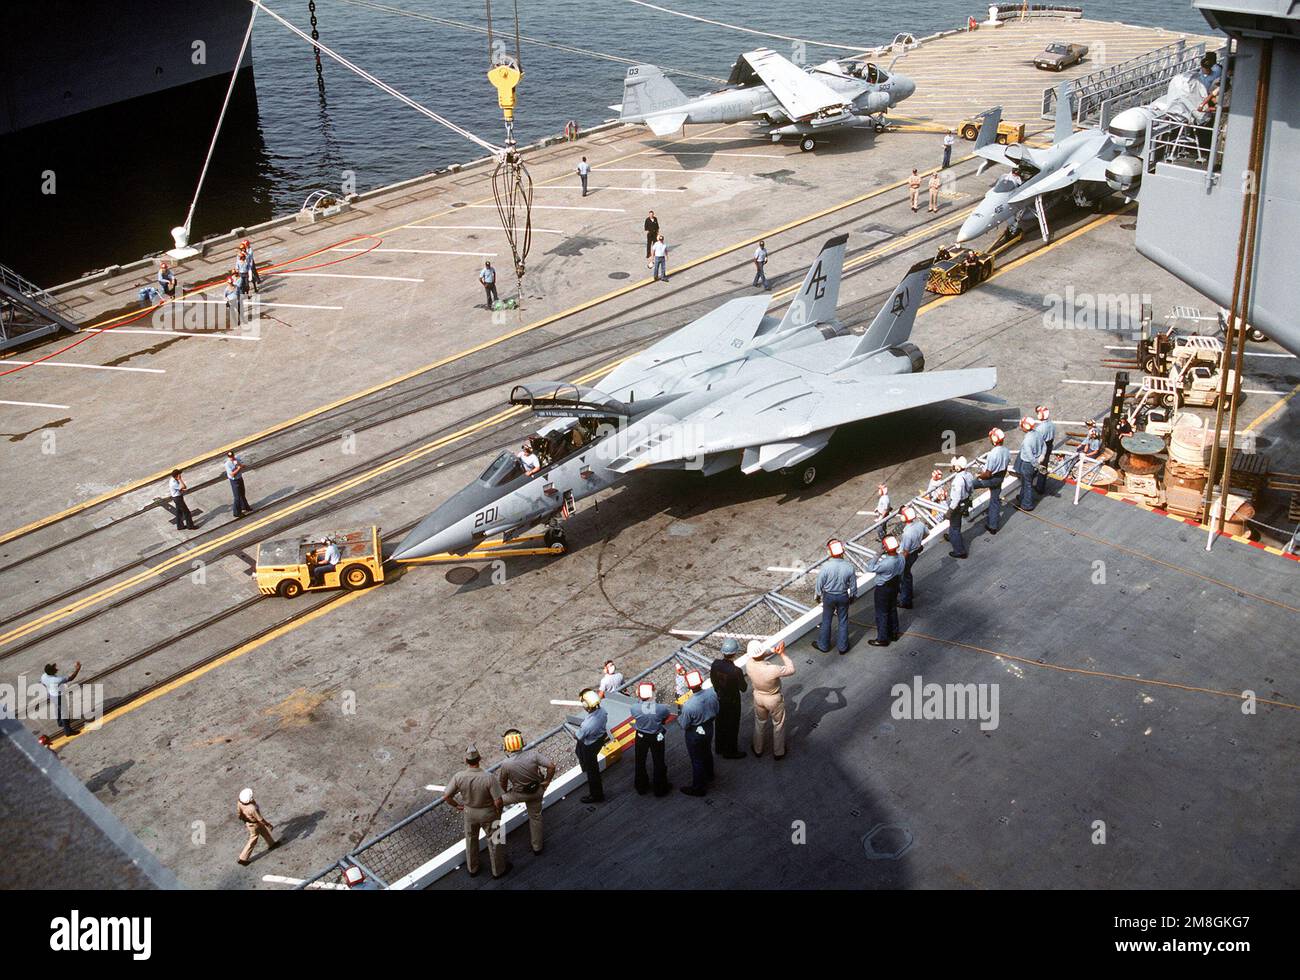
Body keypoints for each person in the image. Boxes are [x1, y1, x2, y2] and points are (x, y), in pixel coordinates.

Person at [441, 745, 510, 878]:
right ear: (480, 759)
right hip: (489, 813)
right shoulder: (488, 777)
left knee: (471, 839)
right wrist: (498, 813)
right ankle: (498, 870)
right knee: (496, 840)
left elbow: (446, 796)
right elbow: (498, 801)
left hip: (469, 813)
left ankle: (472, 868)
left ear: (466, 761)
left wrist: (457, 806)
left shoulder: (459, 777)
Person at [498, 729, 555, 856]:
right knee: (535, 818)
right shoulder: (533, 755)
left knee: (497, 801)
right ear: (522, 743)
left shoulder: (506, 764)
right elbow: (551, 766)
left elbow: (503, 784)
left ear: (507, 747)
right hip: (536, 792)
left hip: (517, 795)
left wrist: (502, 795)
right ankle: (537, 847)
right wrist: (546, 782)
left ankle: (494, 830)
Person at [746, 640, 794, 759]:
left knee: (759, 722)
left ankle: (758, 749)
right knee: (778, 724)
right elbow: (791, 669)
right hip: (773, 699)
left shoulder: (749, 664)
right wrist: (781, 653)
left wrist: (773, 650)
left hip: (758, 697)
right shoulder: (773, 669)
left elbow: (758, 655)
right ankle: (779, 752)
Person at [677, 670, 719, 797]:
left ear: (689, 686)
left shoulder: (688, 706)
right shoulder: (712, 693)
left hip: (695, 733)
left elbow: (684, 725)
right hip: (708, 727)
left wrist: (680, 717)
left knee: (696, 759)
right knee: (707, 751)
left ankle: (698, 787)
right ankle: (710, 774)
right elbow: (717, 710)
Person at [813, 539, 857, 654]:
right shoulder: (849, 567)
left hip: (829, 597)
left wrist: (817, 595)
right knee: (843, 621)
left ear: (830, 552)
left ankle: (823, 645)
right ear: (842, 551)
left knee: (826, 620)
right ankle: (842, 647)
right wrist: (852, 597)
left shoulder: (826, 566)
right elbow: (853, 586)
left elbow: (819, 583)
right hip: (843, 596)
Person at [631, 682, 672, 797]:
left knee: (640, 761)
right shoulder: (661, 708)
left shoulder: (634, 708)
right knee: (659, 761)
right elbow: (665, 717)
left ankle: (641, 786)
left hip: (641, 736)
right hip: (656, 736)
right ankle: (660, 788)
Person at [709, 638, 747, 759]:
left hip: (719, 698)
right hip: (733, 702)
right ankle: (730, 751)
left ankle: (719, 747)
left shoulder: (715, 664)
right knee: (732, 726)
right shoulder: (736, 671)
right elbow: (743, 688)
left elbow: (713, 680)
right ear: (734, 653)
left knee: (720, 723)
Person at [866, 535, 905, 647]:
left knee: (882, 613)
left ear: (885, 548)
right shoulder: (901, 558)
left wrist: (877, 555)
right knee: (892, 609)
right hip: (895, 585)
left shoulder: (886, 563)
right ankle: (894, 633)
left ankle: (882, 638)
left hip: (883, 589)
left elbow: (870, 568)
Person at [973, 427, 1011, 534]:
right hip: (1000, 478)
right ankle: (993, 526)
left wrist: (979, 476)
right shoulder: (1006, 451)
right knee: (995, 501)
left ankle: (965, 507)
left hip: (991, 478)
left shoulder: (993, 454)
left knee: (970, 485)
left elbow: (988, 474)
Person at [575, 689, 608, 803]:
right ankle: (586, 768)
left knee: (593, 771)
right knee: (579, 751)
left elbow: (578, 736)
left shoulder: (587, 725)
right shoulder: (602, 711)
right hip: (599, 739)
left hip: (589, 745)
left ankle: (596, 795)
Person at [236, 787, 280, 865]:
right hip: (255, 824)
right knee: (253, 838)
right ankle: (243, 858)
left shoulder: (240, 803)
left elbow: (239, 814)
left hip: (249, 822)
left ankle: (272, 844)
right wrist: (268, 824)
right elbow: (260, 819)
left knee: (264, 832)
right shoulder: (252, 808)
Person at [39, 661, 81, 738]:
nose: (56, 668)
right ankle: (68, 731)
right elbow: (71, 678)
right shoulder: (57, 680)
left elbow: (42, 683)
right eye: (54, 668)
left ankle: (60, 722)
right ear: (52, 672)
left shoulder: (44, 676)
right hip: (59, 696)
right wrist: (77, 669)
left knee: (57, 709)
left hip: (51, 695)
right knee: (64, 712)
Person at [1015, 416, 1046, 512]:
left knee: (1027, 484)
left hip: (1028, 464)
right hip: (1036, 462)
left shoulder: (1027, 440)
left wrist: (1037, 465)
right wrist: (1042, 456)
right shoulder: (1037, 433)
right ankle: (1021, 498)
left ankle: (1027, 504)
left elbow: (1030, 456)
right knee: (1025, 482)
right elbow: (1044, 445)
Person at [947, 456, 975, 559]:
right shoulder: (969, 475)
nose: (953, 467)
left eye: (954, 466)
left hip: (957, 506)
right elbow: (971, 489)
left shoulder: (957, 481)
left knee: (955, 527)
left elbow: (956, 498)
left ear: (958, 467)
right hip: (965, 501)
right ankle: (952, 537)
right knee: (955, 526)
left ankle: (959, 551)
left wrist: (950, 511)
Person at [898, 505, 924, 609]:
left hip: (907, 556)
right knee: (907, 575)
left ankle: (905, 600)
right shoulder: (920, 524)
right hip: (915, 552)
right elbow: (927, 533)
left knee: (903, 577)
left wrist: (899, 563)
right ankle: (909, 593)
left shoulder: (907, 533)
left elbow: (905, 551)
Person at [1034, 405, 1057, 495]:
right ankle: (1041, 486)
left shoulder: (1040, 428)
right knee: (1044, 466)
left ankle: (1038, 487)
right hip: (1049, 445)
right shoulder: (1051, 424)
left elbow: (1037, 441)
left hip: (1042, 447)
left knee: (1037, 465)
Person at [224, 451, 253, 518]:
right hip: (234, 481)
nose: (232, 458)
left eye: (232, 456)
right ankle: (236, 512)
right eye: (230, 457)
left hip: (239, 478)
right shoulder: (227, 464)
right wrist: (238, 468)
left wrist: (240, 465)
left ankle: (245, 506)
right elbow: (232, 474)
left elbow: (242, 466)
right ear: (228, 457)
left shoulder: (236, 459)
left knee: (242, 493)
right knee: (237, 497)